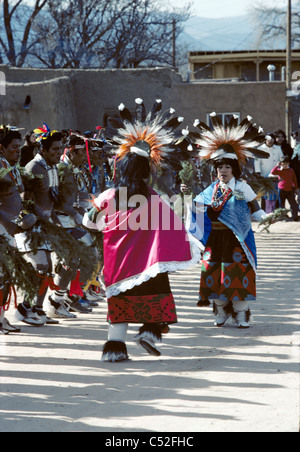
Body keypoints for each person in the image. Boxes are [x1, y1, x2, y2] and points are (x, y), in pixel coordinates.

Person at [83, 98, 201, 362]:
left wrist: (106, 227)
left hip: (119, 264)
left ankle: (114, 349)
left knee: (120, 305)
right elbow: (174, 227)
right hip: (149, 265)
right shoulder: (155, 199)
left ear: (121, 168)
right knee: (154, 298)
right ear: (147, 171)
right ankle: (149, 331)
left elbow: (88, 221)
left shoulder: (110, 195)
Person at [186, 113, 270, 328]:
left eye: (227, 167)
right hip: (215, 241)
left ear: (234, 169)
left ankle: (241, 315)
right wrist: (186, 195)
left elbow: (254, 209)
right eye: (219, 168)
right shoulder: (210, 190)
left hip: (237, 241)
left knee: (237, 277)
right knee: (213, 276)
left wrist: (266, 218)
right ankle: (221, 311)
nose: (222, 171)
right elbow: (196, 209)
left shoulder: (242, 188)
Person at [15, 125, 70, 325]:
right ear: (43, 150)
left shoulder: (52, 168)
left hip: (45, 225)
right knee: (41, 265)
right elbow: (25, 202)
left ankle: (37, 310)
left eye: (60, 148)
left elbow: (50, 202)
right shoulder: (33, 167)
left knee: (46, 269)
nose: (59, 152)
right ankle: (23, 308)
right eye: (55, 149)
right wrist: (34, 220)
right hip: (30, 225)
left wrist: (55, 224)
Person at [0, 125, 38, 332]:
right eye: (14, 147)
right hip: (2, 229)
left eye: (19, 147)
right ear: (2, 148)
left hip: (9, 229)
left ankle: (1, 318)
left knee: (5, 276)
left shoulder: (11, 165)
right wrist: (7, 224)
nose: (18, 150)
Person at [254, 133, 283, 213]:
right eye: (268, 139)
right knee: (265, 193)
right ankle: (264, 210)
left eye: (272, 139)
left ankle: (277, 211)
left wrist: (281, 170)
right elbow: (257, 161)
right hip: (264, 174)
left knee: (276, 192)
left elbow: (281, 159)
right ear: (265, 140)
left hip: (276, 174)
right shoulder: (260, 148)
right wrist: (258, 171)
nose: (270, 141)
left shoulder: (278, 148)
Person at [270, 156, 299, 221]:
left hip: (290, 190)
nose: (285, 165)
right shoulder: (279, 171)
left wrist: (296, 188)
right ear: (281, 164)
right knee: (282, 204)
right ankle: (283, 216)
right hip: (281, 190)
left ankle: (295, 216)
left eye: (286, 164)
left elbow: (294, 179)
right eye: (283, 164)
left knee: (293, 204)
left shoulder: (291, 170)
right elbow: (272, 172)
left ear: (288, 164)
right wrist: (277, 166)